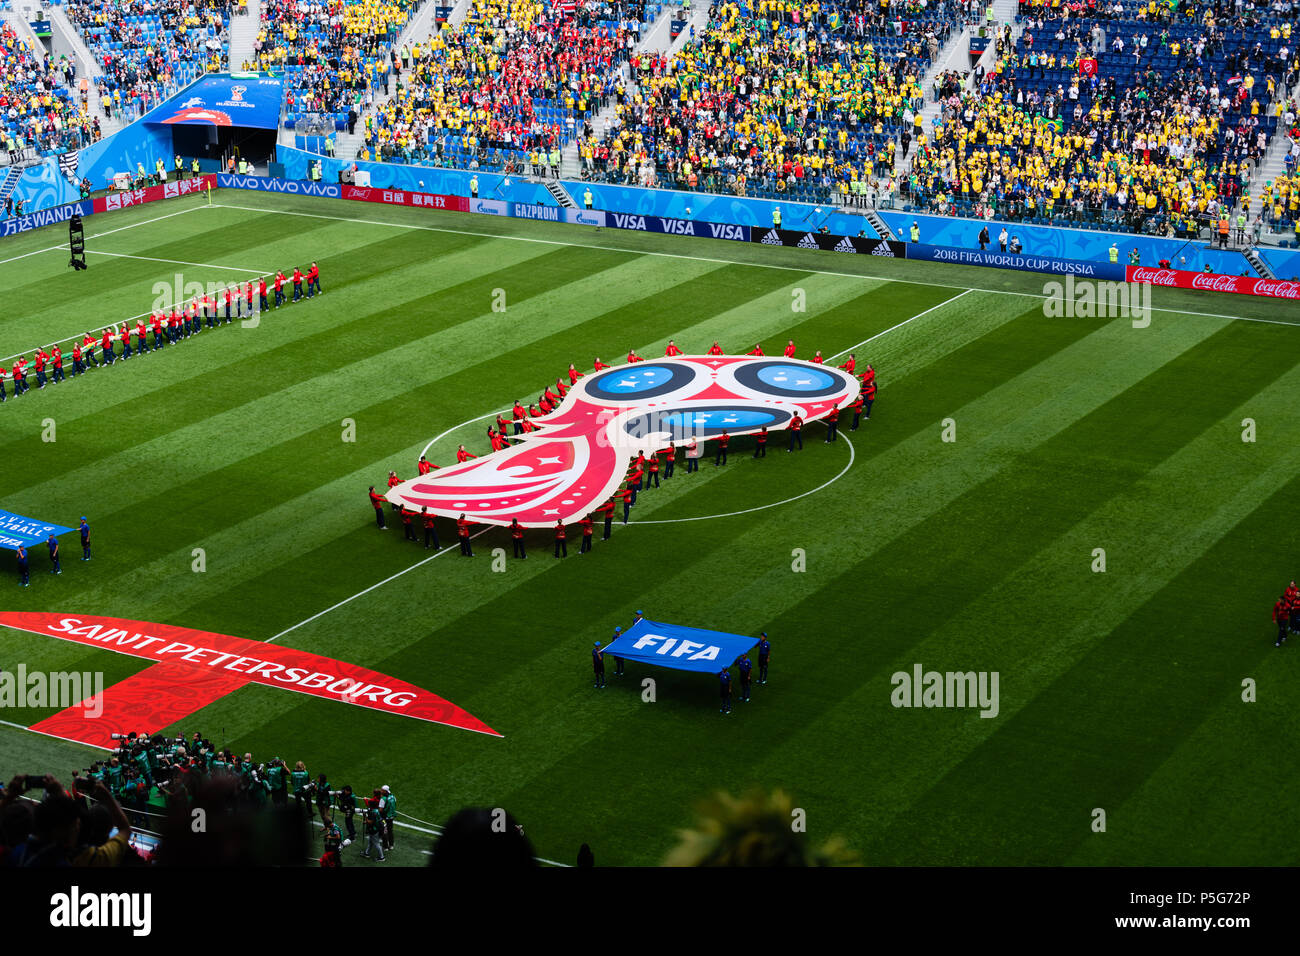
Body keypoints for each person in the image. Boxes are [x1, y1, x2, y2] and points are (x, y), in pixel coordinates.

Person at [361, 797, 385, 861]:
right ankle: (367, 853)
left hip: (374, 829)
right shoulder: (376, 810)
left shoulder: (373, 812)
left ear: (371, 805)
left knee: (376, 844)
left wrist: (365, 817)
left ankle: (382, 857)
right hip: (376, 828)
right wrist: (366, 821)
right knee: (370, 842)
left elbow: (371, 822)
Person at [381, 785, 396, 850]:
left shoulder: (384, 799)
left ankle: (385, 846)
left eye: (382, 790)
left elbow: (381, 810)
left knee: (384, 831)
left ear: (385, 791)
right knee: (390, 831)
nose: (381, 791)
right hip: (391, 817)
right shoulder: (393, 797)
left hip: (385, 818)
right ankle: (391, 845)